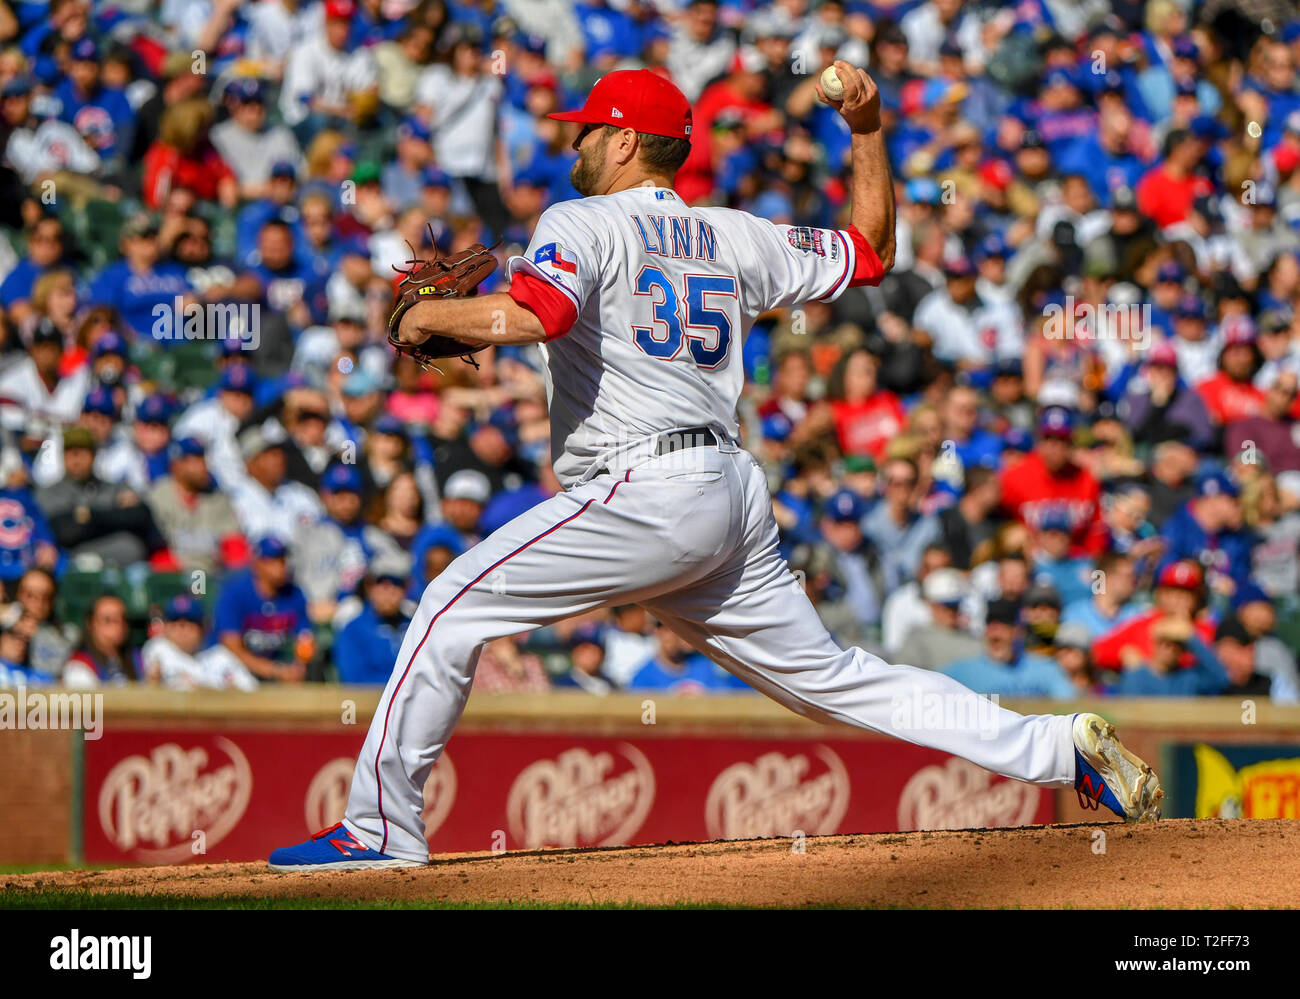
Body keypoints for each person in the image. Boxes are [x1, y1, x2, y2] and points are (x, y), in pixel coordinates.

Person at [270, 65, 1162, 871]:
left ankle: (381, 827)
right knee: (835, 677)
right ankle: (1056, 750)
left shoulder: (579, 220)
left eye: (587, 129)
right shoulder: (736, 234)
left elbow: (537, 314)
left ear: (623, 140)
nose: (574, 142)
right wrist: (869, 129)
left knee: (447, 606)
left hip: (645, 486)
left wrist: (432, 322)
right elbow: (872, 249)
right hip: (729, 494)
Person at [211, 536, 314, 683]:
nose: (280, 566)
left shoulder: (295, 594)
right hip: (233, 667)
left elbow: (305, 638)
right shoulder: (235, 593)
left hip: (274, 665)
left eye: (282, 559)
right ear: (257, 563)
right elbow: (231, 647)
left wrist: (299, 665)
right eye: (272, 560)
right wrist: (273, 670)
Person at [334, 552, 416, 685]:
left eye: (397, 583)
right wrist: (404, 686)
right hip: (371, 704)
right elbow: (356, 680)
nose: (389, 591)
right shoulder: (353, 630)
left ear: (406, 588)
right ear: (369, 586)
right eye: (382, 582)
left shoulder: (415, 626)